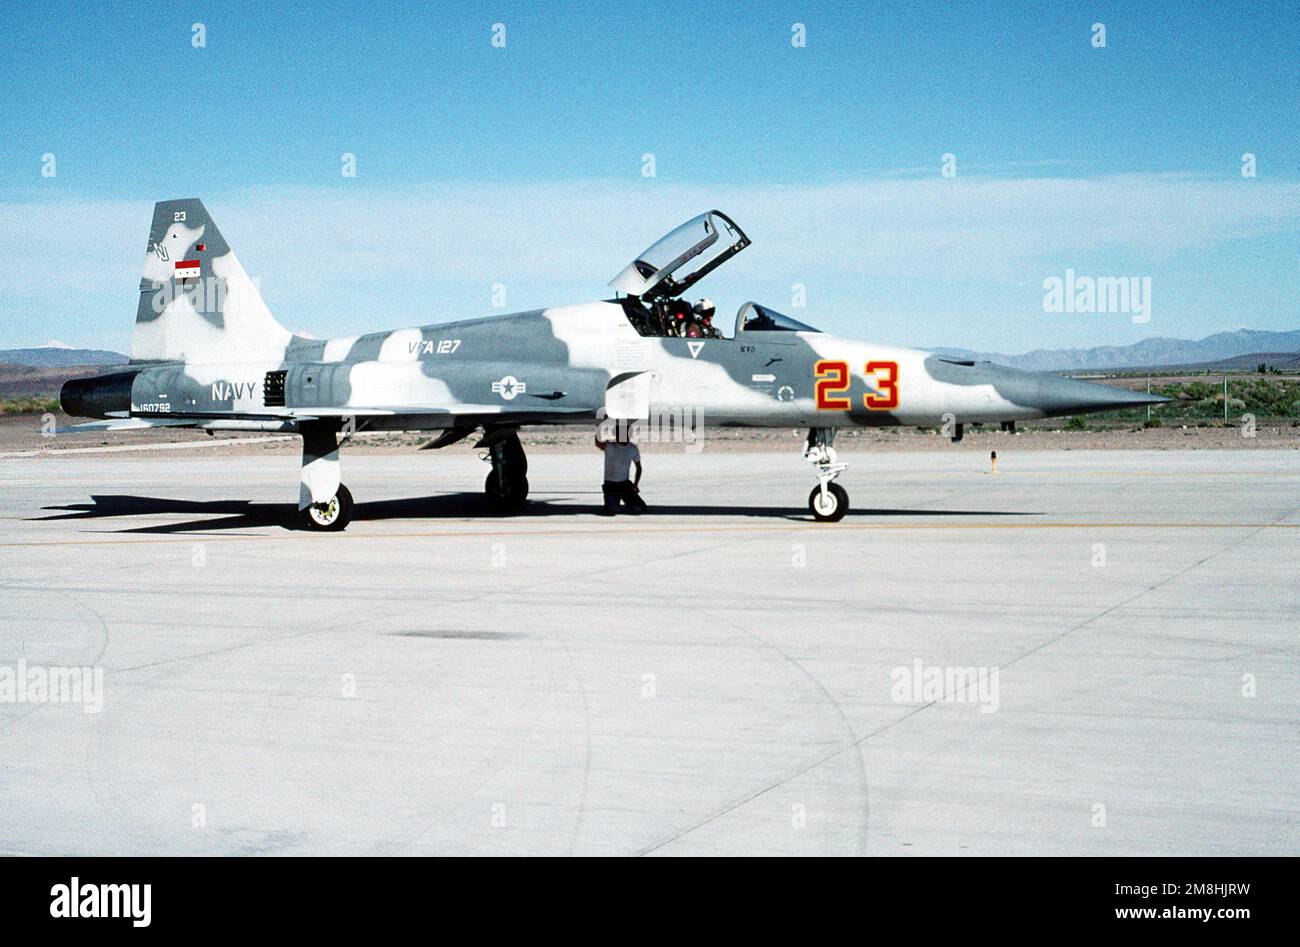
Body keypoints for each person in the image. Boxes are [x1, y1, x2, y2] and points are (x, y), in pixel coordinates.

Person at [595, 424, 646, 515]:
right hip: (611, 485)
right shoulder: (610, 446)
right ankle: (615, 505)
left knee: (641, 508)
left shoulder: (632, 449)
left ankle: (627, 505)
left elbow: (639, 468)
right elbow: (598, 443)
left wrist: (635, 484)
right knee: (610, 511)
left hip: (624, 484)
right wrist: (599, 428)